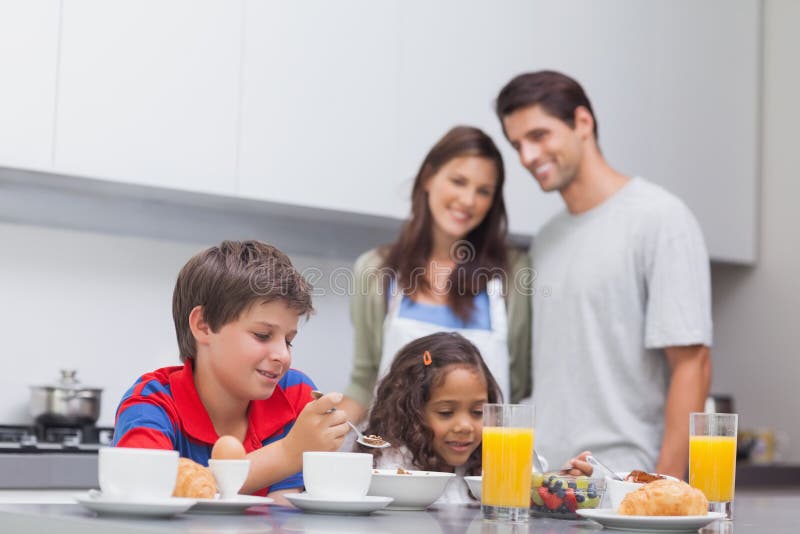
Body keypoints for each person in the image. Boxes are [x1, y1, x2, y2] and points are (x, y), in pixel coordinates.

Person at [495, 71, 712, 478]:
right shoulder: (547, 239)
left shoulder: (659, 219)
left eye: (539, 136)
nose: (526, 157)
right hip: (547, 482)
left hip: (623, 481)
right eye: (517, 145)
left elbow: (692, 364)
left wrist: (659, 486)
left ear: (582, 123)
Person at [113, 240, 349, 504]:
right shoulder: (151, 403)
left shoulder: (294, 393)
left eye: (288, 340)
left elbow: (284, 513)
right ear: (203, 326)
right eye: (262, 335)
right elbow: (143, 487)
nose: (283, 355)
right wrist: (288, 452)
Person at [340, 126, 532, 424]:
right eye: (458, 181)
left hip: (485, 468)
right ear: (428, 177)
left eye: (484, 191)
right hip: (396, 467)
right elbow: (365, 381)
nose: (468, 200)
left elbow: (516, 387)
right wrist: (317, 435)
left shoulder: (512, 275)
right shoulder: (376, 270)